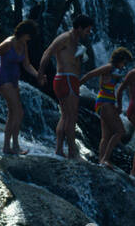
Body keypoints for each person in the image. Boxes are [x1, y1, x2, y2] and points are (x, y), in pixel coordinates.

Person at [40, 13, 96, 158]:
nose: (88, 33)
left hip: (67, 80)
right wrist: (40, 74)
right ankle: (72, 151)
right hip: (67, 79)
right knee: (72, 117)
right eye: (87, 30)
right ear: (79, 27)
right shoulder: (64, 38)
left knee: (65, 116)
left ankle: (59, 149)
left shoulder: (77, 43)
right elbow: (47, 53)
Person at [0, 20, 41, 155]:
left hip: (14, 80)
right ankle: (14, 146)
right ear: (23, 33)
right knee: (18, 112)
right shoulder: (7, 44)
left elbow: (27, 65)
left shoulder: (24, 45)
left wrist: (38, 75)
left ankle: (9, 147)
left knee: (13, 113)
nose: (29, 39)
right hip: (4, 79)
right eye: (29, 36)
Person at [82, 46, 134, 167]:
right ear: (120, 59)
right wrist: (77, 85)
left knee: (106, 136)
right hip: (104, 102)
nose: (124, 66)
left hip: (106, 102)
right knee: (120, 131)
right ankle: (105, 158)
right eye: (124, 62)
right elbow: (91, 74)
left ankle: (101, 161)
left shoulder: (114, 70)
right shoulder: (109, 67)